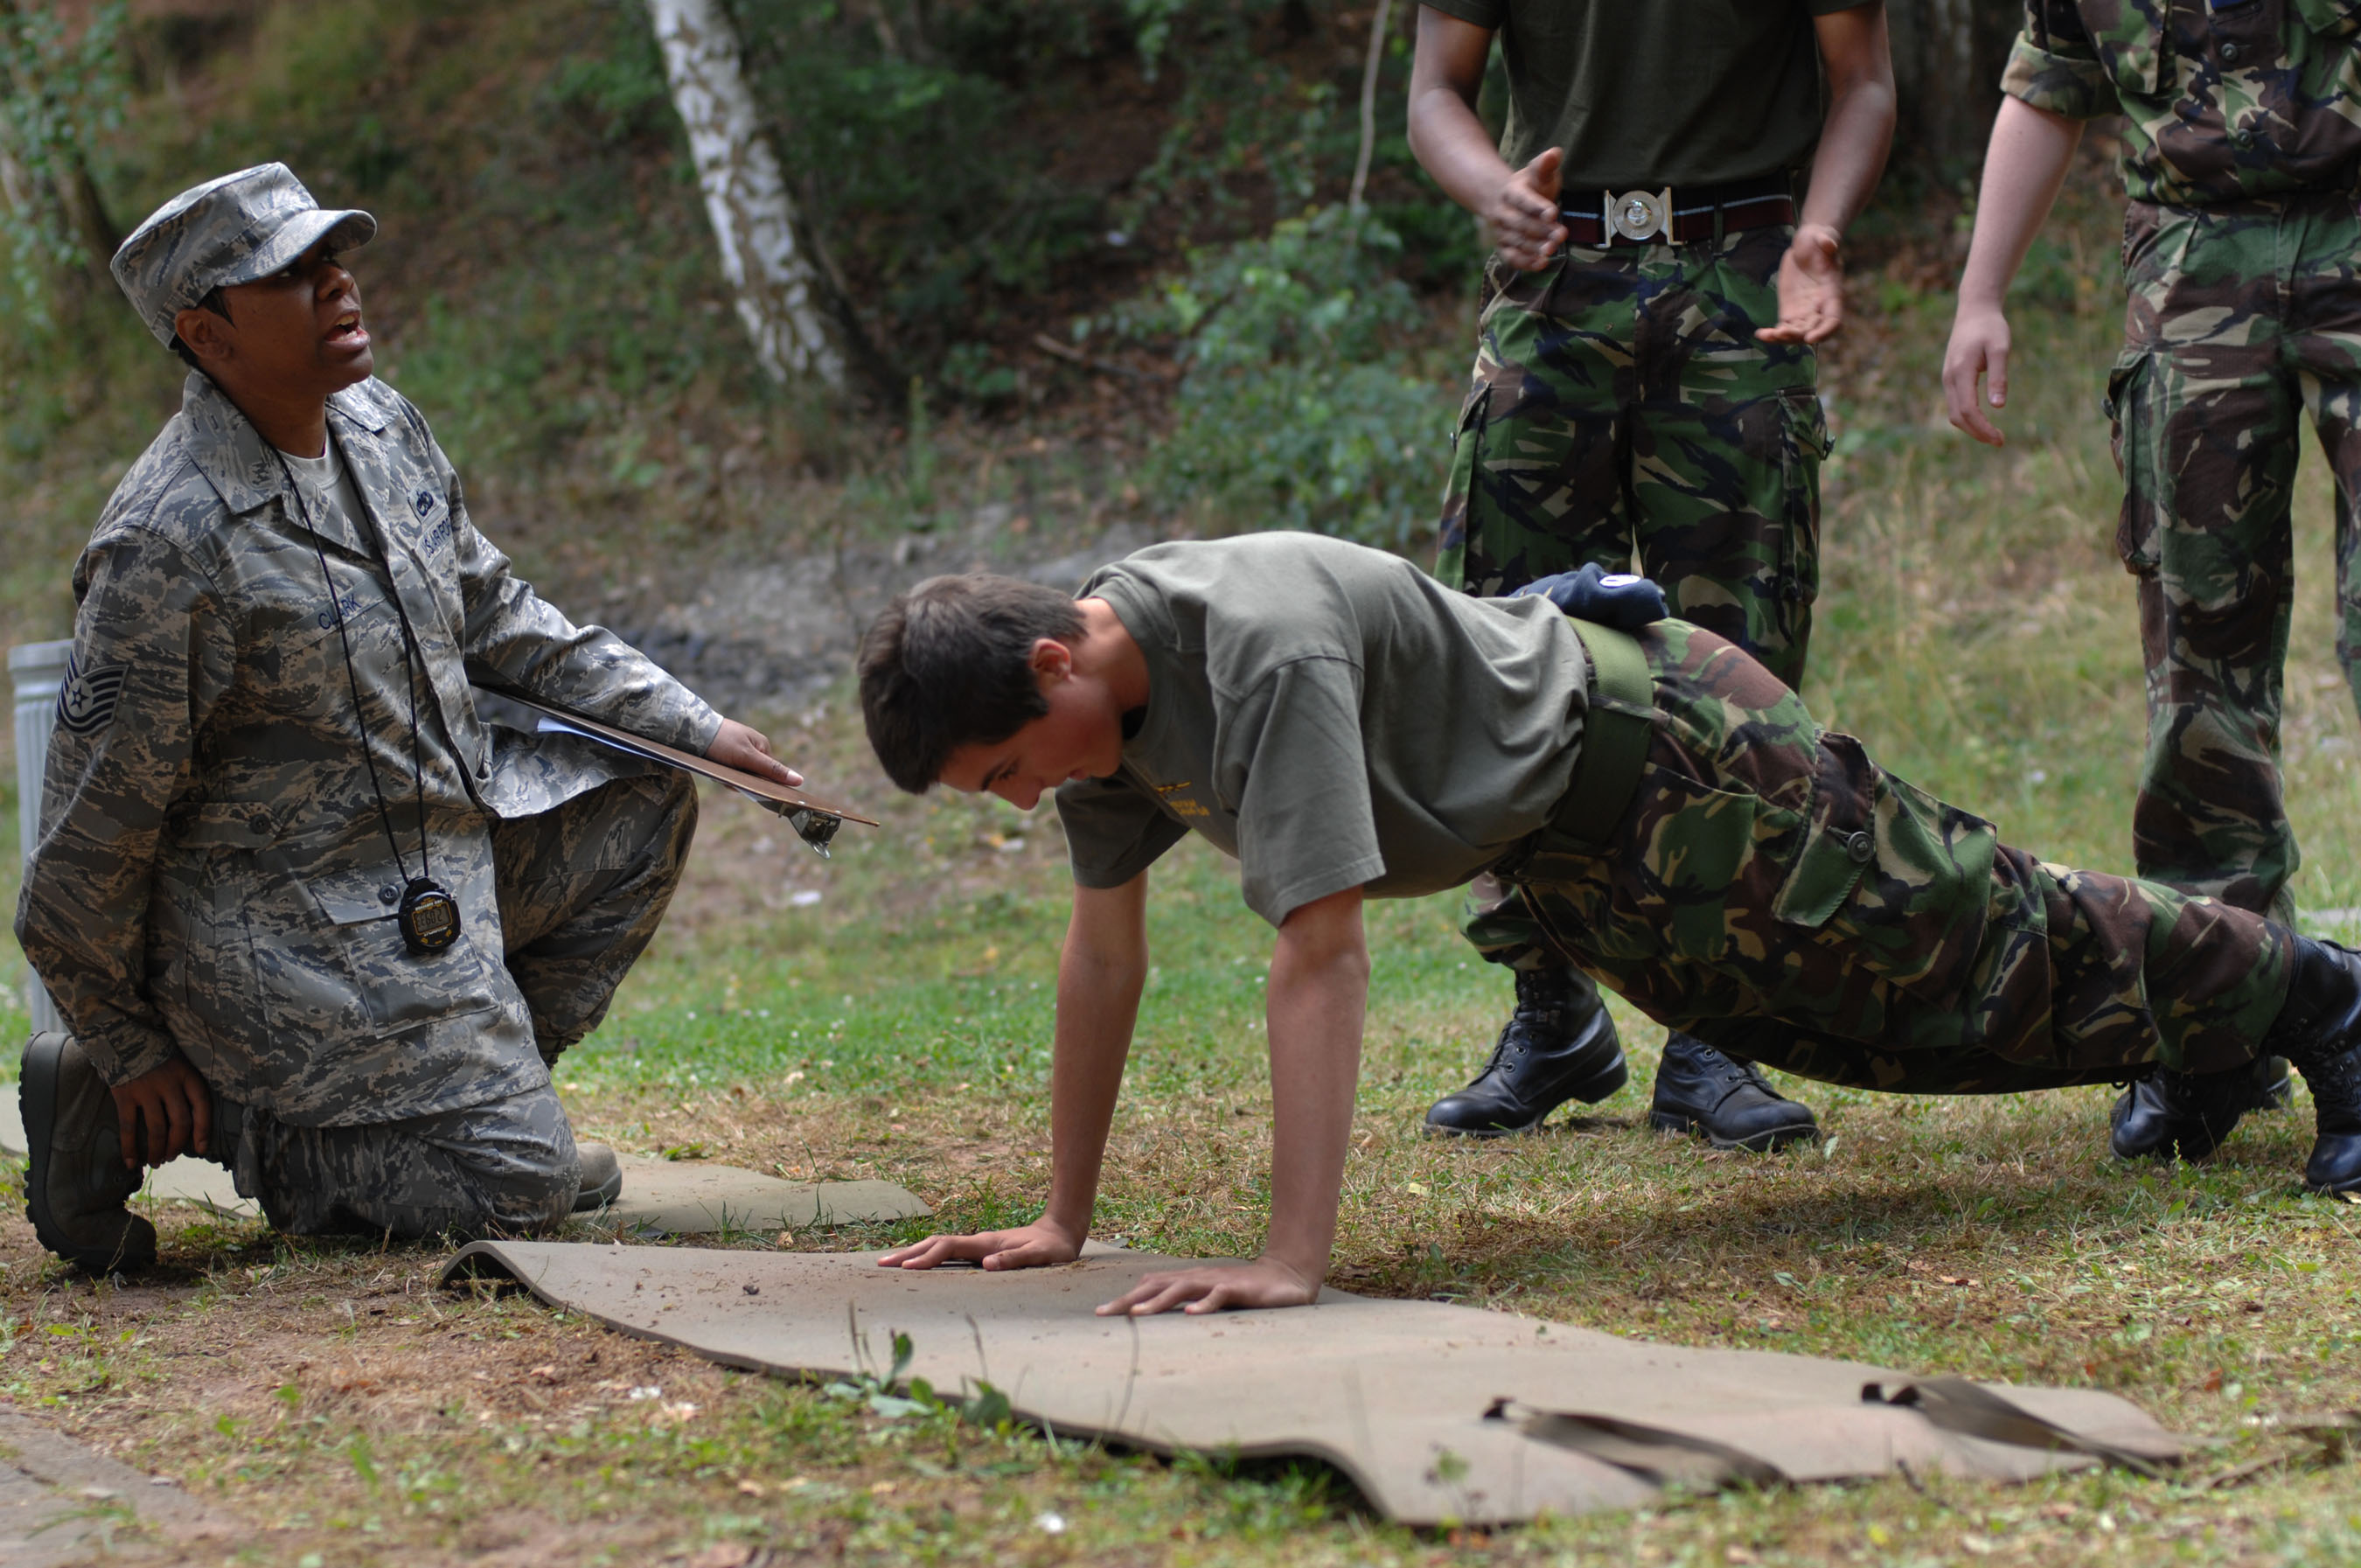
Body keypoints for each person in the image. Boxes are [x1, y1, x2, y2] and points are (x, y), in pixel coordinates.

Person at [854, 532, 2360, 1316]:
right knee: (1862, 1025)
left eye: (1003, 772)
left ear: (1056, 661)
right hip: (1578, 838)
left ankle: (2322, 999)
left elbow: (1320, 947)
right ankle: (2217, 1033)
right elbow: (1101, 953)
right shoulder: (1105, 721)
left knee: (1959, 931)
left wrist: (1290, 1259)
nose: (1014, 803)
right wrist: (1059, 1217)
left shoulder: (1251, 647)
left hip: (1678, 747)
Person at [14, 164, 800, 1272]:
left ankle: (467, 1111)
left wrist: (695, 724)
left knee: (643, 792)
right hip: (277, 940)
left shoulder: (377, 424)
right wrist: (128, 1040)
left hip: (429, 870)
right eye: (290, 274)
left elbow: (494, 607)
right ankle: (174, 1110)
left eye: (333, 256)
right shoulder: (167, 548)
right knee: (519, 1193)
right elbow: (81, 852)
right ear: (209, 332)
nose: (338, 283)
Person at [1403, 1, 1895, 1149]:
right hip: (1556, 286)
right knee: (1504, 659)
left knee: (1741, 675)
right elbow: (1436, 92)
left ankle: (1717, 1038)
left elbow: (1862, 78)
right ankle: (1551, 1009)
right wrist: (1490, 189)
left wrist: (1820, 232)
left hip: (1740, 281)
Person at [1937, 3, 2351, 1162]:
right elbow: (2048, 84)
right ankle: (2224, 1021)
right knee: (2199, 655)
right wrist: (1981, 293)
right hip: (2192, 269)